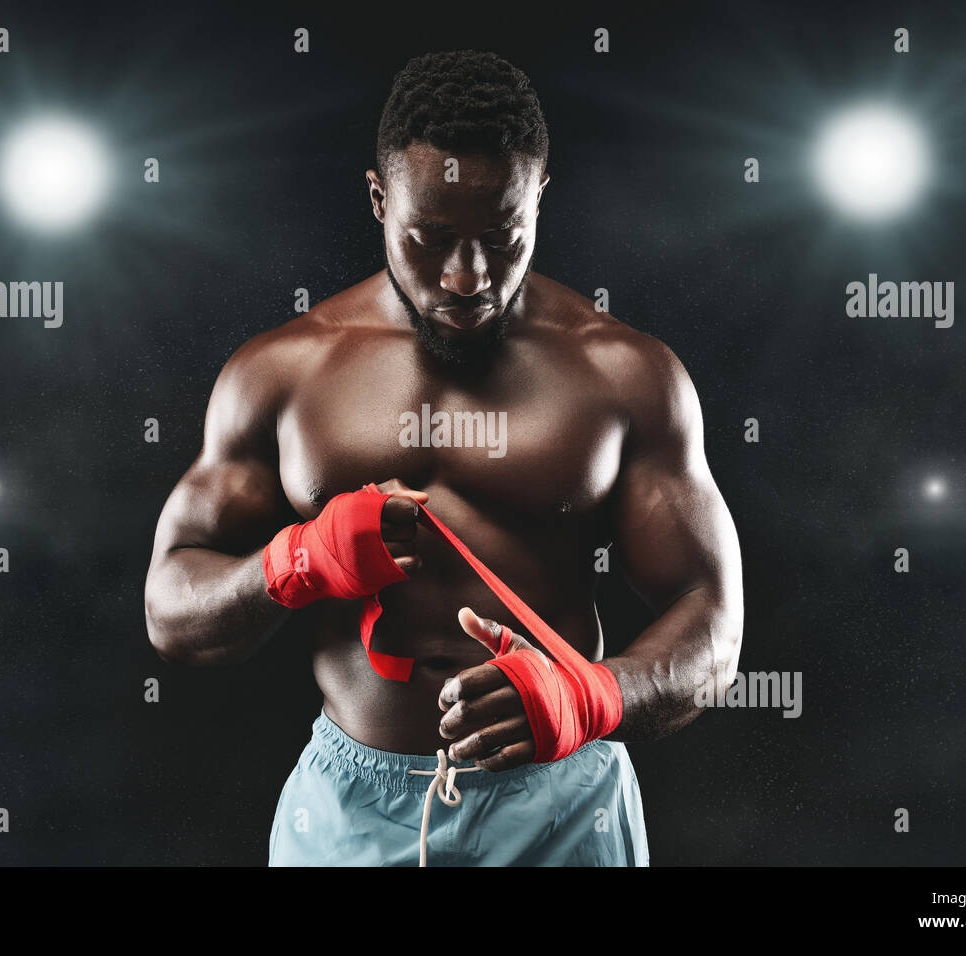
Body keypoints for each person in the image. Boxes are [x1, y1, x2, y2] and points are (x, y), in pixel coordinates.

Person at [144, 49, 744, 866]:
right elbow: (171, 612)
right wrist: (296, 560)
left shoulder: (624, 374)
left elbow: (713, 627)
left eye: (503, 239)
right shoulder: (283, 374)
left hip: (565, 804)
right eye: (430, 239)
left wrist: (592, 696)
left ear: (539, 197)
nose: (469, 277)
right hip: (350, 810)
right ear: (379, 198)